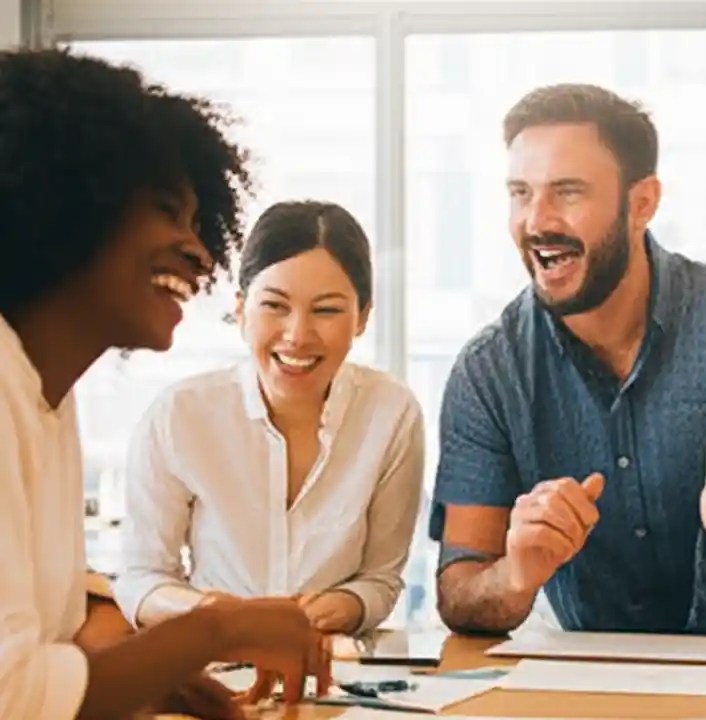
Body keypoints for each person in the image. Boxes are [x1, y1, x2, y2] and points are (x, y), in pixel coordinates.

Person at [429, 83, 706, 638]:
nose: (536, 221)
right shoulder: (488, 373)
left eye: (567, 192)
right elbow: (459, 596)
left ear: (642, 203)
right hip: (608, 688)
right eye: (520, 193)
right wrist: (515, 576)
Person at [0, 49, 329, 719]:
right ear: (68, 203)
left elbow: (44, 658)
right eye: (165, 211)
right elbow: (14, 697)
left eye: (195, 222)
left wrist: (148, 679)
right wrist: (216, 629)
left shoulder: (42, 396)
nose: (199, 251)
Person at [115, 201, 425, 643]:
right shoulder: (180, 415)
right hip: (213, 665)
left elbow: (380, 579)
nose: (297, 334)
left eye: (327, 310)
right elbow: (140, 579)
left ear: (363, 318)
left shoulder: (392, 413)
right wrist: (215, 615)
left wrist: (345, 606)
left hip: (336, 672)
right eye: (275, 306)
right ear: (241, 311)